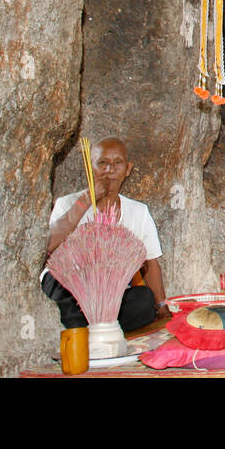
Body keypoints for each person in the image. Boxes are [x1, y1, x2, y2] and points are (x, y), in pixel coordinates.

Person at [41, 137, 171, 332]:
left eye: (117, 163)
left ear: (128, 169)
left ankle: (89, 328)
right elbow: (48, 248)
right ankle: (86, 329)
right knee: (57, 286)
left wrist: (161, 306)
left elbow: (151, 264)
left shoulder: (138, 212)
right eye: (102, 163)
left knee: (143, 300)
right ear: (90, 168)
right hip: (70, 289)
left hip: (108, 295)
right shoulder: (67, 204)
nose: (110, 169)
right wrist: (86, 200)